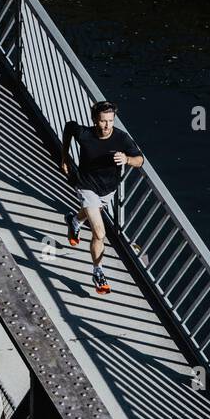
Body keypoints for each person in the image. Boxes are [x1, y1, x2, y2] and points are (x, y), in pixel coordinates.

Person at [60, 101, 144, 294]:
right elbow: (69, 127)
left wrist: (127, 160)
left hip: (108, 189)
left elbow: (140, 160)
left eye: (111, 121)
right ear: (94, 120)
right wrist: (64, 155)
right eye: (103, 121)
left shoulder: (122, 139)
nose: (107, 126)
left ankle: (74, 220)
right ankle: (98, 271)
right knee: (99, 232)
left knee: (93, 212)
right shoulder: (85, 135)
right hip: (86, 185)